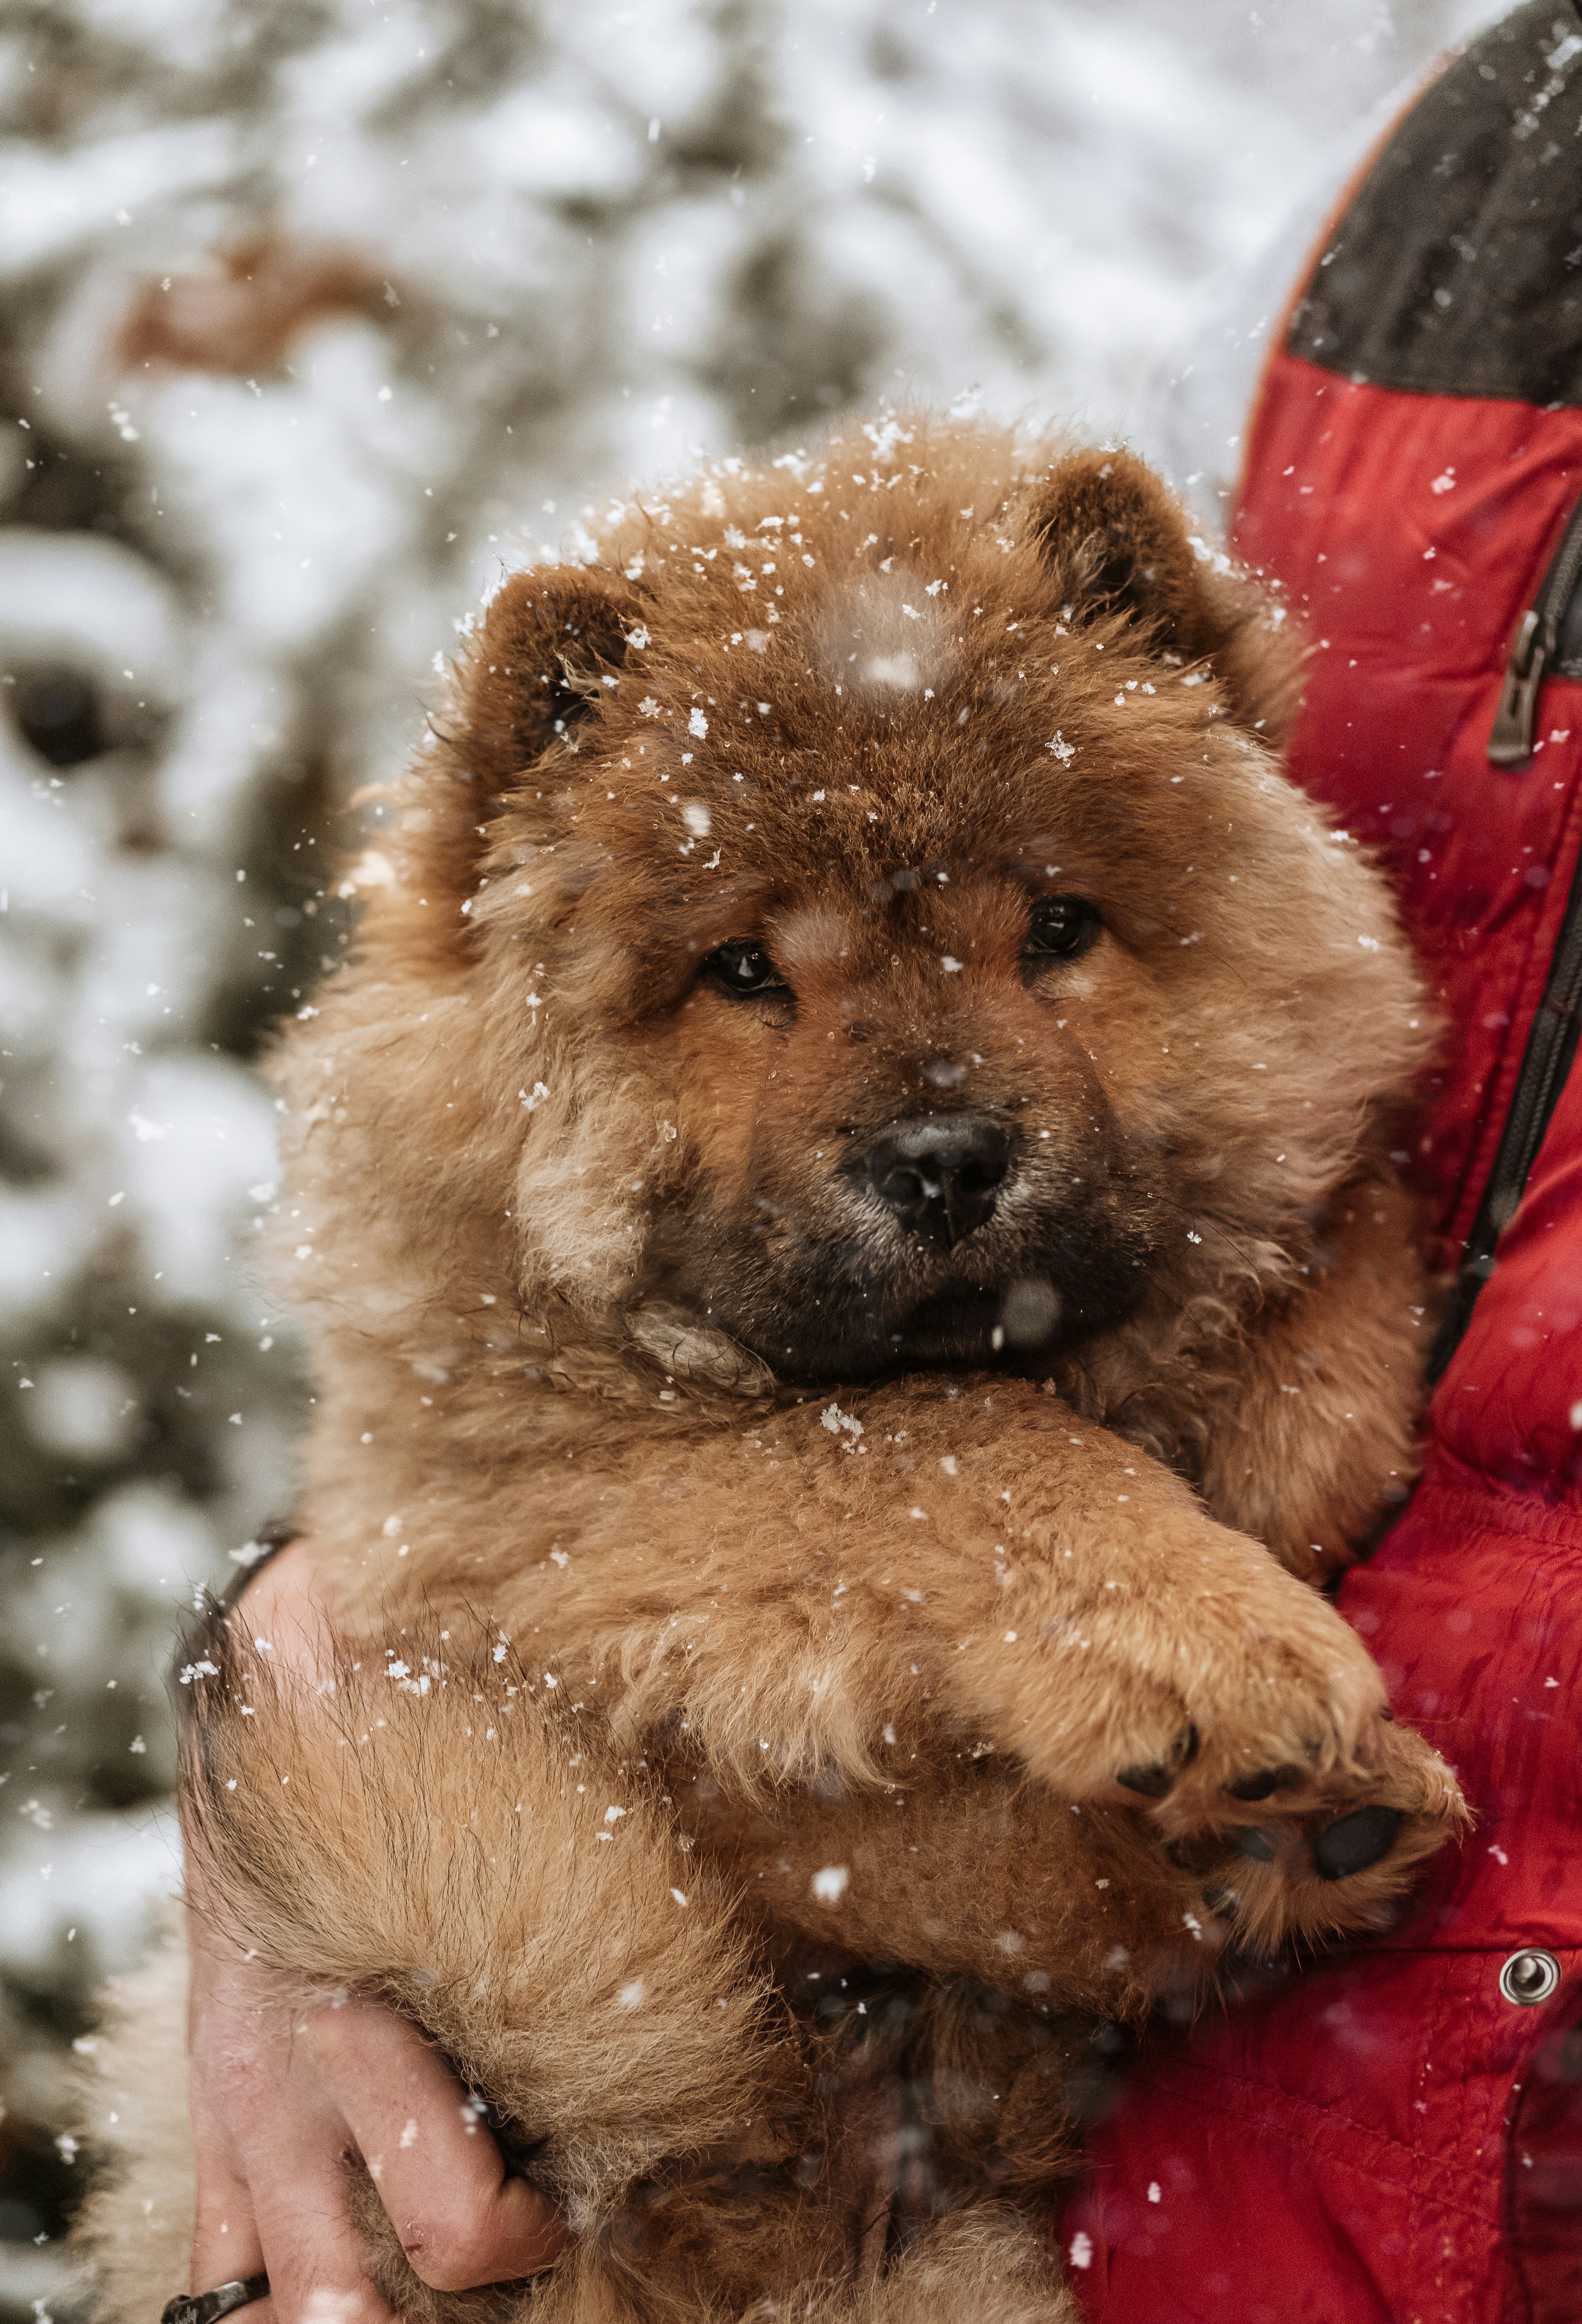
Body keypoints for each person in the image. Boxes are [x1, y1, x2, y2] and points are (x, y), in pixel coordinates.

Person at [179, 6, 1582, 2318]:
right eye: (762, 977)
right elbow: (513, 1429)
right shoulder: (1433, 238)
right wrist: (325, 1727)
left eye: (1044, 940)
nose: (936, 1096)